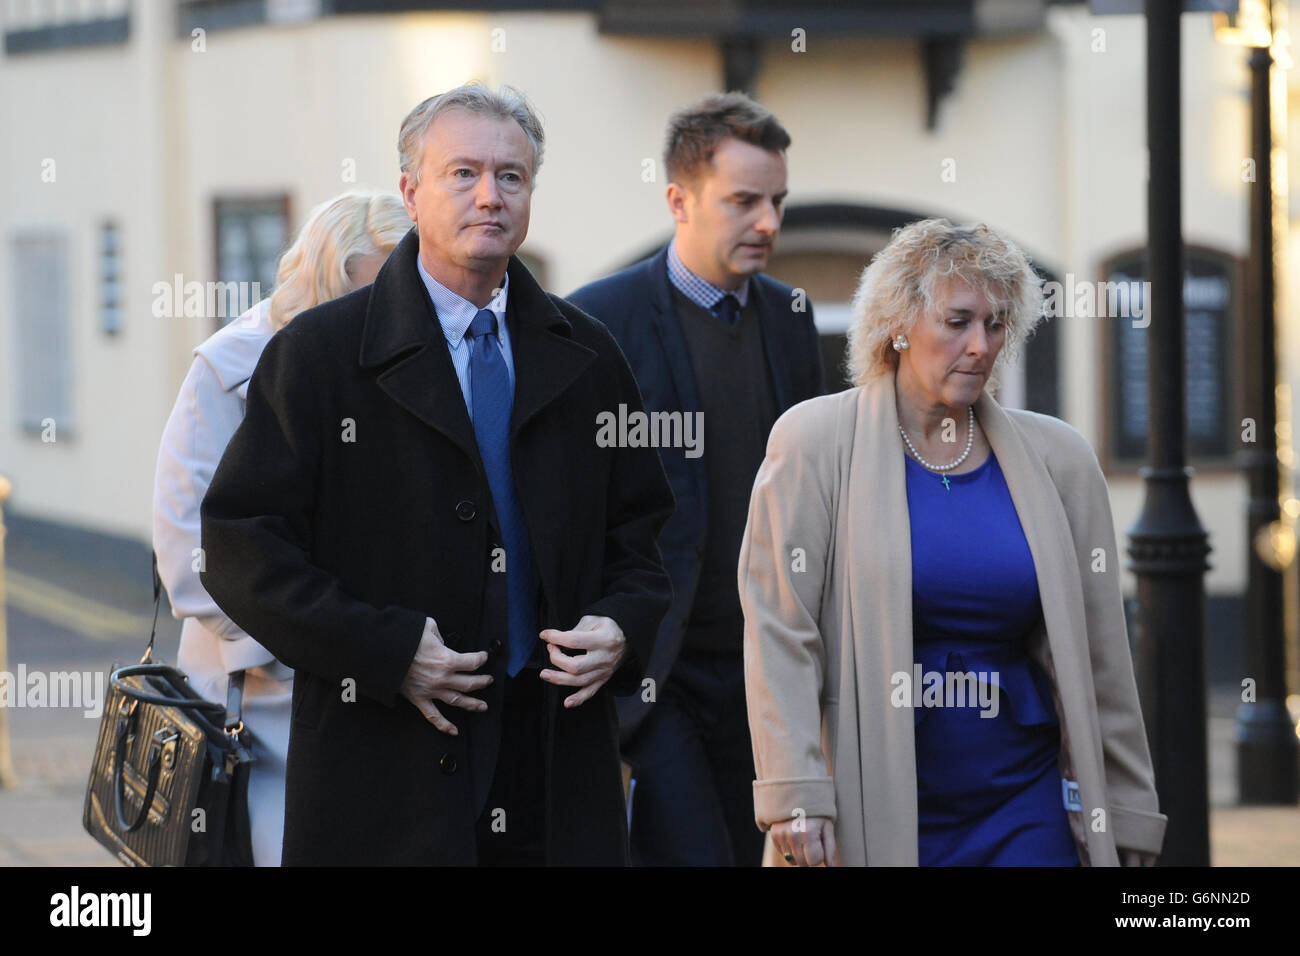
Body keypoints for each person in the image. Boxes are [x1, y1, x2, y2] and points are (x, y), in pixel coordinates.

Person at [199, 82, 674, 866]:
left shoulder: (588, 355)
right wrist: (384, 649)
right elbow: (241, 548)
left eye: (512, 177)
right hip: (387, 762)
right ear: (411, 193)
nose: (490, 196)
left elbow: (643, 534)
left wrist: (622, 624)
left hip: (553, 758)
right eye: (463, 174)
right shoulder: (319, 356)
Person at [738, 219, 1167, 866]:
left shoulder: (1060, 458)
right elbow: (781, 633)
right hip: (873, 794)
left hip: (1024, 797)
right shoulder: (814, 442)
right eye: (958, 320)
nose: (980, 345)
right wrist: (795, 792)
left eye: (996, 325)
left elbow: (1103, 652)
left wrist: (1127, 808)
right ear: (899, 324)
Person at [567, 92, 823, 866]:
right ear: (679, 199)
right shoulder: (596, 319)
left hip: (767, 666)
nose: (769, 223)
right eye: (744, 201)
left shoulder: (791, 314)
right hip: (659, 671)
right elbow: (573, 501)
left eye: (777, 200)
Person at [152, 190, 410, 866]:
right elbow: (186, 551)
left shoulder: (391, 361)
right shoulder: (229, 367)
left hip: (374, 679)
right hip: (260, 699)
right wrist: (297, 643)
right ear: (329, 273)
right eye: (374, 287)